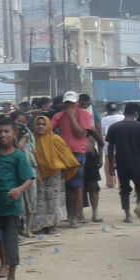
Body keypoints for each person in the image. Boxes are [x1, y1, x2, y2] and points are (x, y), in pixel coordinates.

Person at [0, 122, 37, 280]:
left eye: (6, 131)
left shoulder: (18, 156)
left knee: (11, 243)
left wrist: (19, 189)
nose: (2, 135)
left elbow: (29, 179)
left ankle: (11, 277)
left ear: (14, 134)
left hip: (11, 208)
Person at [106, 103, 140, 224]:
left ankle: (128, 215)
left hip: (121, 164)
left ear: (124, 112)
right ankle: (139, 205)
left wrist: (111, 164)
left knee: (124, 189)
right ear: (136, 114)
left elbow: (110, 147)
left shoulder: (114, 127)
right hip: (138, 163)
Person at [29, 114, 79, 235]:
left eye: (43, 124)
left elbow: (65, 155)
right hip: (38, 174)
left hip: (54, 174)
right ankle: (42, 226)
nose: (41, 127)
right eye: (38, 124)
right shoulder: (32, 140)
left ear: (48, 125)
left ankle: (52, 226)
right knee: (40, 201)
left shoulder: (56, 139)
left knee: (53, 201)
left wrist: (58, 166)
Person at [50, 91, 90, 226]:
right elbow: (48, 129)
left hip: (78, 152)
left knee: (77, 185)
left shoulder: (84, 114)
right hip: (62, 153)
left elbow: (80, 134)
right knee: (65, 185)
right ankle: (68, 213)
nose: (69, 106)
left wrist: (72, 117)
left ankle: (75, 217)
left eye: (72, 103)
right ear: (63, 103)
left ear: (77, 103)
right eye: (67, 103)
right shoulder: (58, 116)